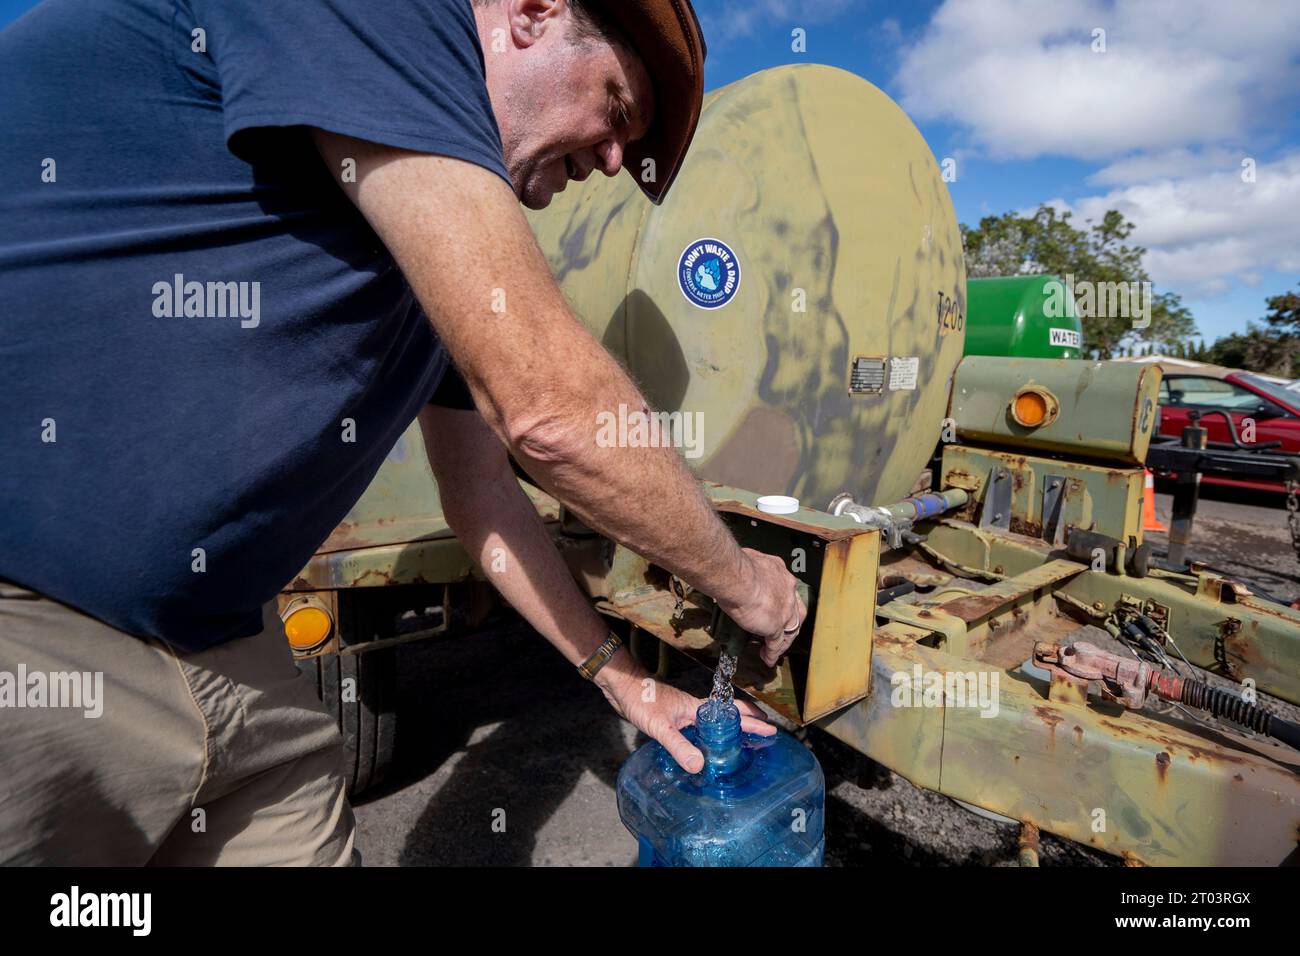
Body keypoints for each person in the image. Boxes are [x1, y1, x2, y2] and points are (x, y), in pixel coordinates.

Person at [0, 0, 805, 865]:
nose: (614, 160)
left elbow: (484, 497)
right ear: (530, 13)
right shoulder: (385, 13)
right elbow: (548, 412)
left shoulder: (427, 245)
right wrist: (743, 581)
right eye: (615, 108)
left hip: (232, 646)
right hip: (36, 635)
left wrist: (630, 684)